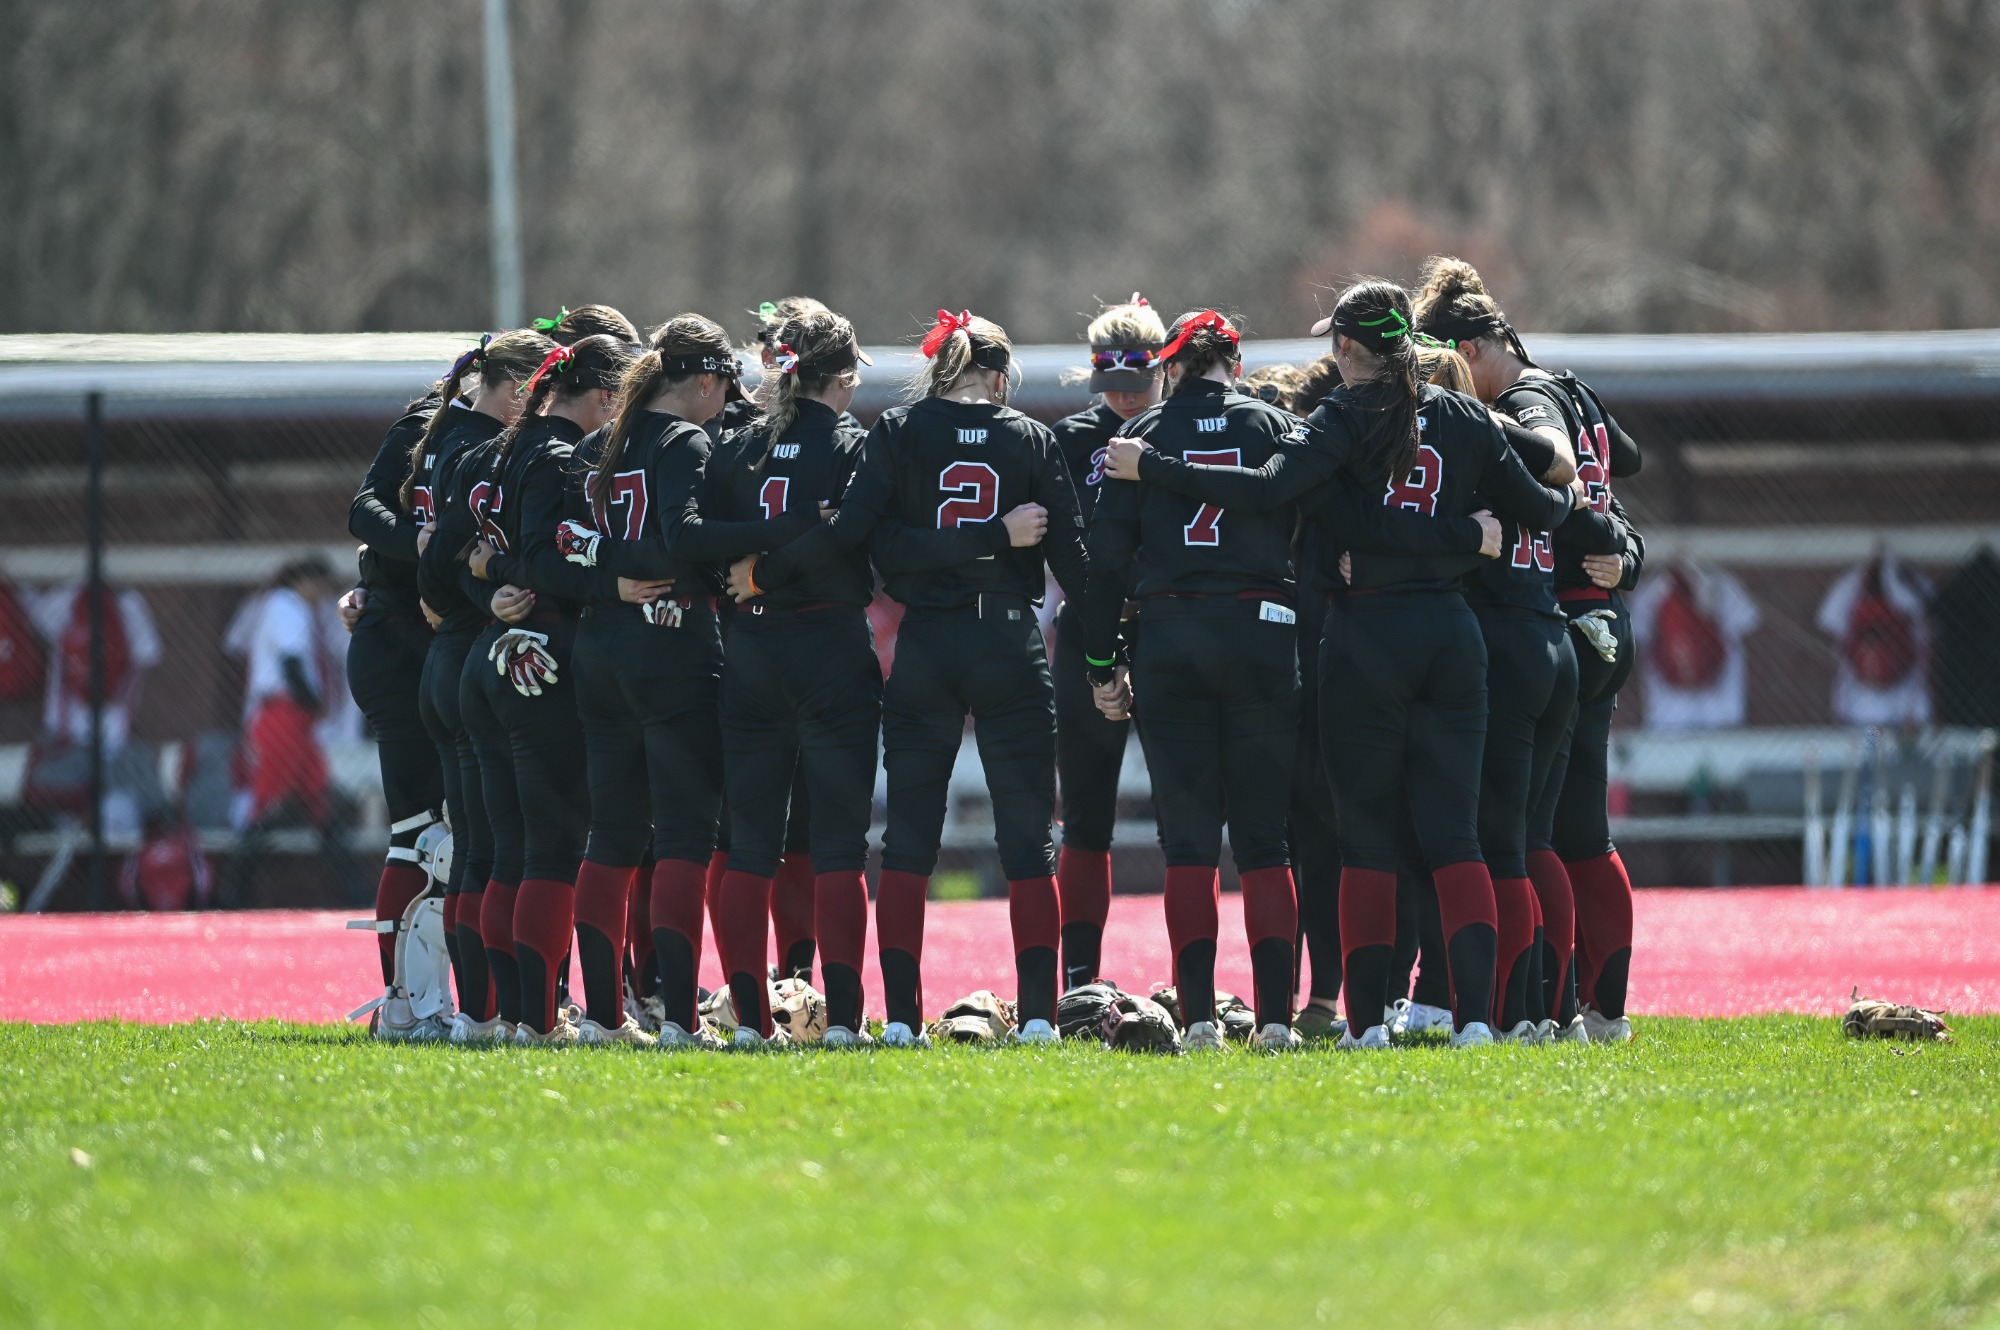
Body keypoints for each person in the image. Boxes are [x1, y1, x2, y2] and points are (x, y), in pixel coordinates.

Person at [1105, 279, 1577, 1048]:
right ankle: (1484, 1023)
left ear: (1348, 347)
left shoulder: (1338, 418)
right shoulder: (1461, 413)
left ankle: (1365, 1026)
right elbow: (1542, 502)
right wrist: (1563, 511)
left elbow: (1268, 492)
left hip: (1366, 639)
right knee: (1457, 837)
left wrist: (1154, 466)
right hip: (1452, 635)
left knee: (1367, 841)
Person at [740, 310, 1086, 1046]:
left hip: (927, 642)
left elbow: (882, 550)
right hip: (1006, 638)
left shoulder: (896, 431)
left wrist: (766, 572)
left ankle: (899, 1019)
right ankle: (1036, 1019)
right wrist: (1109, 646)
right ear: (998, 379)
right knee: (1029, 839)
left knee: (907, 843)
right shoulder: (1031, 437)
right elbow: (1077, 562)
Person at [557, 315, 806, 1049]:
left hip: (600, 645)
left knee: (612, 835)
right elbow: (686, 535)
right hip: (672, 645)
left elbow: (572, 541)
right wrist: (777, 530)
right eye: (724, 386)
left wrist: (613, 575)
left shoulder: (598, 443)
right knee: (685, 841)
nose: (726, 401)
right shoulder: (684, 439)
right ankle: (673, 1021)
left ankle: (603, 1017)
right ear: (703, 380)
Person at [1415, 256, 1645, 1043]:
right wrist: (1626, 550)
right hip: (1598, 618)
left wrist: (1473, 417)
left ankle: (1557, 1009)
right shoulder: (1573, 384)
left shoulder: (1524, 399)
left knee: (1540, 835)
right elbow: (1626, 466)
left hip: (1560, 617)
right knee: (1574, 833)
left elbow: (1568, 477)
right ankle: (1595, 1010)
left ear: (1468, 354)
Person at [1078, 309, 1306, 1051]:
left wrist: (1102, 663)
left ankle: (1201, 1020)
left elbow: (1105, 565)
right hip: (1262, 630)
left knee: (1189, 846)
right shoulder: (1273, 427)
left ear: (1170, 367)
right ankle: (1275, 1021)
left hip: (1171, 636)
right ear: (1233, 364)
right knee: (1267, 844)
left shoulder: (1140, 437)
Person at [462, 335, 644, 1044]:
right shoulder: (561, 457)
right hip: (539, 657)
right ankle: (536, 1022)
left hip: (482, 654)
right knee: (552, 850)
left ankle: (502, 1017)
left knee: (506, 852)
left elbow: (448, 557)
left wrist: (487, 590)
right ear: (604, 398)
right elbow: (549, 555)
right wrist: (610, 583)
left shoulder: (486, 451)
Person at [705, 309, 879, 1045]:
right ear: (840, 376)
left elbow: (703, 544)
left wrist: (751, 578)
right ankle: (841, 1021)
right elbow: (861, 537)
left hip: (749, 648)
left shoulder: (736, 446)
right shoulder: (853, 445)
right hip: (830, 644)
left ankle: (750, 1023)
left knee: (749, 845)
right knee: (839, 844)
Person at [408, 328, 554, 1041]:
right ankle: (524, 1013)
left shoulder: (461, 449)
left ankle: (476, 1013)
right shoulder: (522, 453)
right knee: (523, 851)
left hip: (452, 659)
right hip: (493, 660)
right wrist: (492, 591)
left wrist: (469, 589)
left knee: (474, 849)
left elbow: (431, 561)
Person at [1046, 294, 1166, 988]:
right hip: (1089, 631)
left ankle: (1198, 987)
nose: (1123, 397)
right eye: (1110, 384)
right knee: (1086, 816)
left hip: (1168, 635)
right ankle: (1080, 978)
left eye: (1137, 382)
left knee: (1187, 820)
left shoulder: (1182, 431)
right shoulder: (1069, 440)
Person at [344, 378, 449, 996]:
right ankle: (409, 999)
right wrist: (404, 564)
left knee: (444, 835)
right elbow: (366, 510)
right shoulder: (439, 428)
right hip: (417, 641)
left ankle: (432, 999)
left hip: (426, 637)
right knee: (426, 834)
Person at [1627, 560, 1761, 730]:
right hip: (1668, 713)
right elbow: (1635, 639)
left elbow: (1751, 628)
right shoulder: (1649, 590)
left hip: (1721, 707)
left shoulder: (1721, 583)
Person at [1816, 553, 1931, 727]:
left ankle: (1903, 747)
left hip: (1906, 690)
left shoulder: (1910, 589)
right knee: (1870, 739)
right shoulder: (1850, 589)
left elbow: (1927, 626)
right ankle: (1874, 746)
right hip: (1864, 694)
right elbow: (1830, 625)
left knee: (1907, 741)